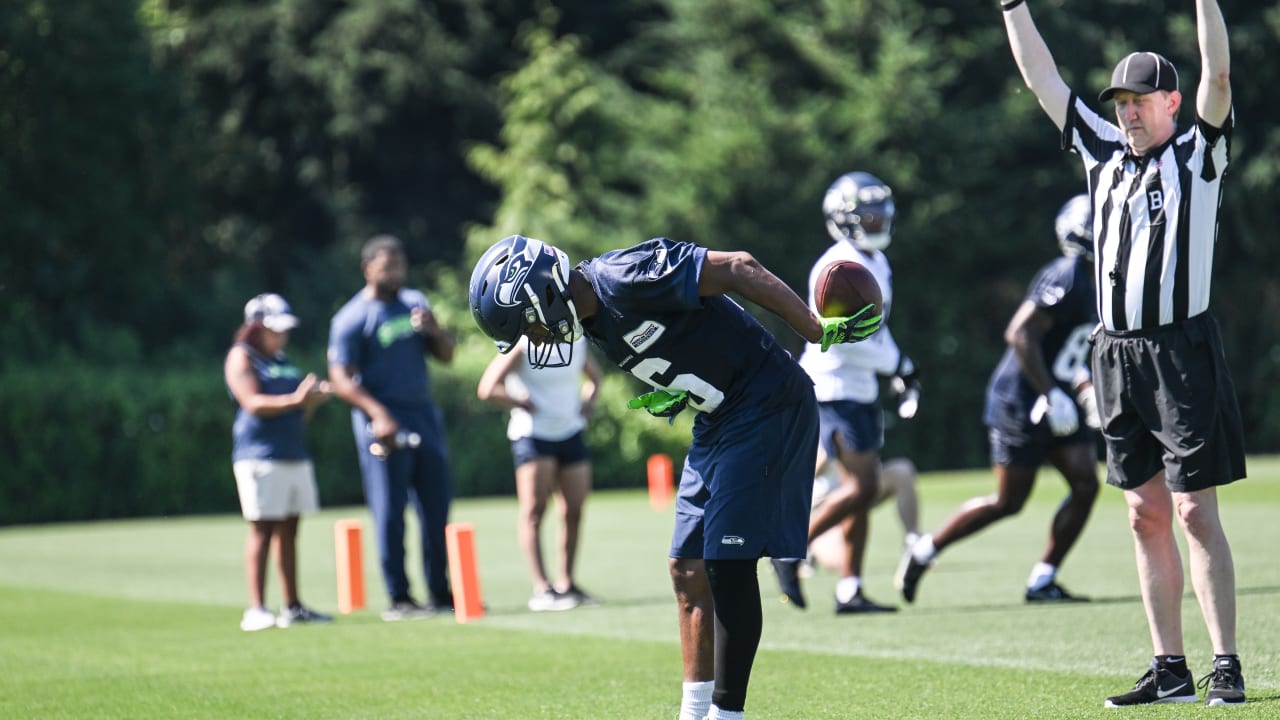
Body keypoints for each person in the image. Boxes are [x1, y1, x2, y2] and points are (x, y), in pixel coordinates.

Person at [469, 234, 881, 720]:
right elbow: (686, 336)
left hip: (767, 402)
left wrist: (811, 328)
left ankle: (728, 716)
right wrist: (686, 382)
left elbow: (737, 267)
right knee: (686, 569)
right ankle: (693, 712)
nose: (534, 338)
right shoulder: (591, 317)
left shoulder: (625, 276)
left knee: (727, 563)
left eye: (528, 325)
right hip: (719, 416)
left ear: (548, 290)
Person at [1001, 0, 1246, 707]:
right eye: (1122, 102)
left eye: (1140, 100)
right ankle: (1168, 666)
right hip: (1116, 355)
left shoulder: (1200, 155)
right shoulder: (1102, 152)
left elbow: (1221, 74)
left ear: (1170, 99)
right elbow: (1042, 78)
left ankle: (1224, 661)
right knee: (1143, 513)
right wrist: (1012, 7)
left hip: (1182, 351)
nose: (1129, 112)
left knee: (1196, 510)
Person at [895, 195, 1102, 605]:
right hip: (1021, 397)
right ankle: (924, 550)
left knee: (1085, 482)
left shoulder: (1108, 280)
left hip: (1056, 394)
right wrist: (1050, 393)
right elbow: (1020, 334)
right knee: (1010, 501)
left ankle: (1043, 578)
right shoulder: (1068, 273)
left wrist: (1082, 389)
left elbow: (1071, 348)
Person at [771, 171, 921, 615]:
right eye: (868, 214)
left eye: (881, 213)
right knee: (863, 486)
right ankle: (791, 546)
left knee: (864, 485)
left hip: (857, 387)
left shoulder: (874, 261)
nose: (877, 221)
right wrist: (898, 366)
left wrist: (901, 368)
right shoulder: (838, 268)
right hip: (832, 386)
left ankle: (849, 588)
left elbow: (878, 329)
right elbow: (844, 338)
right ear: (844, 219)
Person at [328, 235, 458, 622]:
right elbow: (341, 378)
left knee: (437, 509)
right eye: (388, 268)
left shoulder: (416, 303)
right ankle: (399, 597)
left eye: (400, 267)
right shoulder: (352, 317)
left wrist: (435, 331)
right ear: (368, 269)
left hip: (423, 416)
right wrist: (377, 414)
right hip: (382, 425)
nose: (396, 274)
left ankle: (440, 591)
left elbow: (447, 356)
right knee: (390, 512)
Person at [224, 293, 334, 631]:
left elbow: (300, 414)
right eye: (275, 329)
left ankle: (293, 607)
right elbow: (252, 403)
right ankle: (256, 608)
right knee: (262, 528)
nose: (282, 335)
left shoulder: (283, 359)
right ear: (255, 327)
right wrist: (296, 398)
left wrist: (313, 401)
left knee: (290, 530)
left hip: (292, 452)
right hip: (260, 455)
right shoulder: (242, 358)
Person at [476, 336, 604, 612]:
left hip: (571, 432)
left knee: (574, 510)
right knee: (534, 511)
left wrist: (588, 403)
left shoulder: (576, 342)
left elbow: (595, 377)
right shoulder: (523, 344)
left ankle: (567, 582)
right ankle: (542, 588)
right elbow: (487, 389)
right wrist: (519, 402)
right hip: (533, 436)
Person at [806, 454, 920, 576]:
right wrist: (829, 450)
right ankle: (811, 537)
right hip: (826, 504)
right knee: (841, 562)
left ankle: (913, 542)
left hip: (861, 492)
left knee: (902, 472)